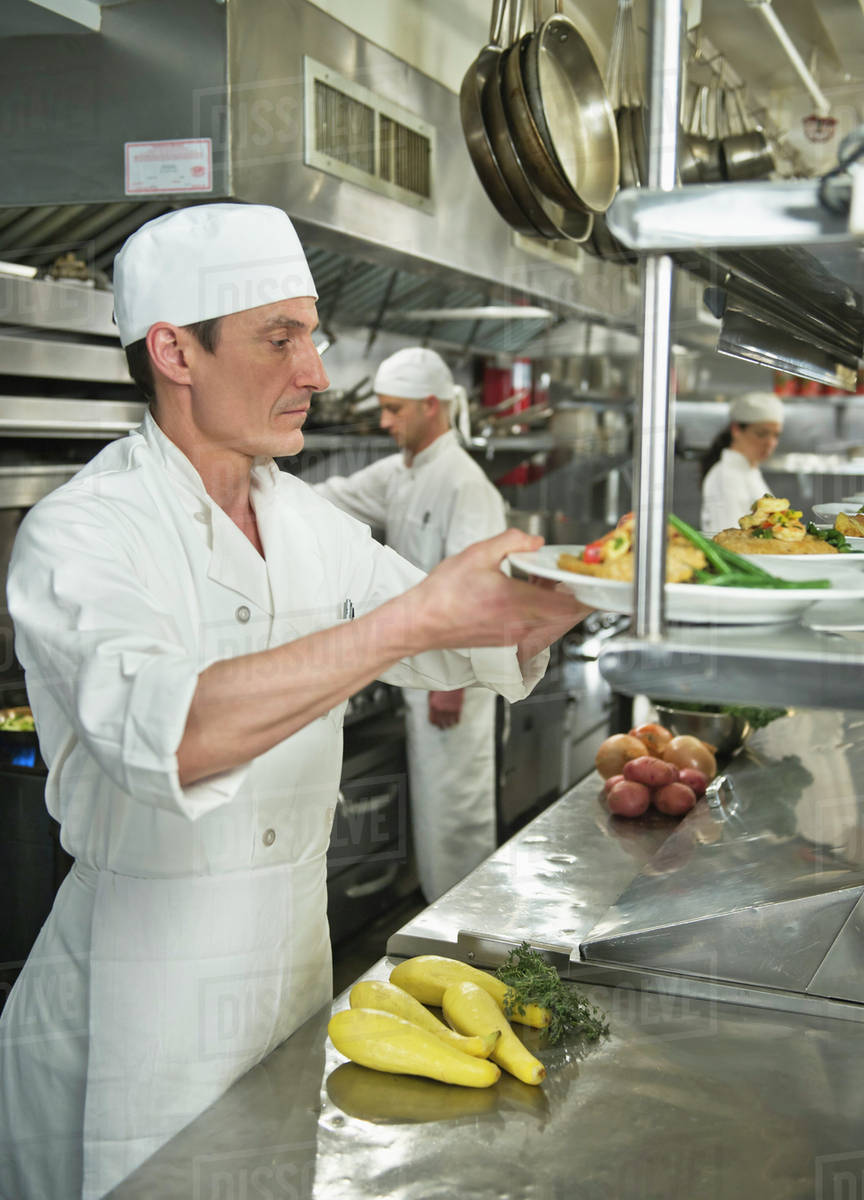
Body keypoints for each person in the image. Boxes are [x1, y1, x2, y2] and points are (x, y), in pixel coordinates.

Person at [0, 202, 588, 1200]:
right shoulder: (83, 533)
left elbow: (460, 641)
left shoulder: (304, 518)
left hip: (297, 961)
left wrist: (595, 588)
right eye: (280, 339)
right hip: (149, 982)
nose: (314, 371)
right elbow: (175, 735)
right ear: (175, 352)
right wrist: (412, 621)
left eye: (312, 336)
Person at [315, 347, 507, 903]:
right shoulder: (403, 472)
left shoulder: (463, 482)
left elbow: (479, 586)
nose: (384, 421)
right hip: (422, 670)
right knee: (432, 806)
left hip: (455, 679)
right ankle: (437, 919)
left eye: (394, 409)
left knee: (456, 811)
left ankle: (467, 927)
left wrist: (452, 683)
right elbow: (332, 497)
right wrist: (250, 484)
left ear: (430, 405)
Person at [699, 391, 783, 531]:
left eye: (776, 435)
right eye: (761, 434)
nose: (771, 443)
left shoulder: (750, 471)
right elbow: (729, 537)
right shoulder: (726, 476)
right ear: (736, 430)